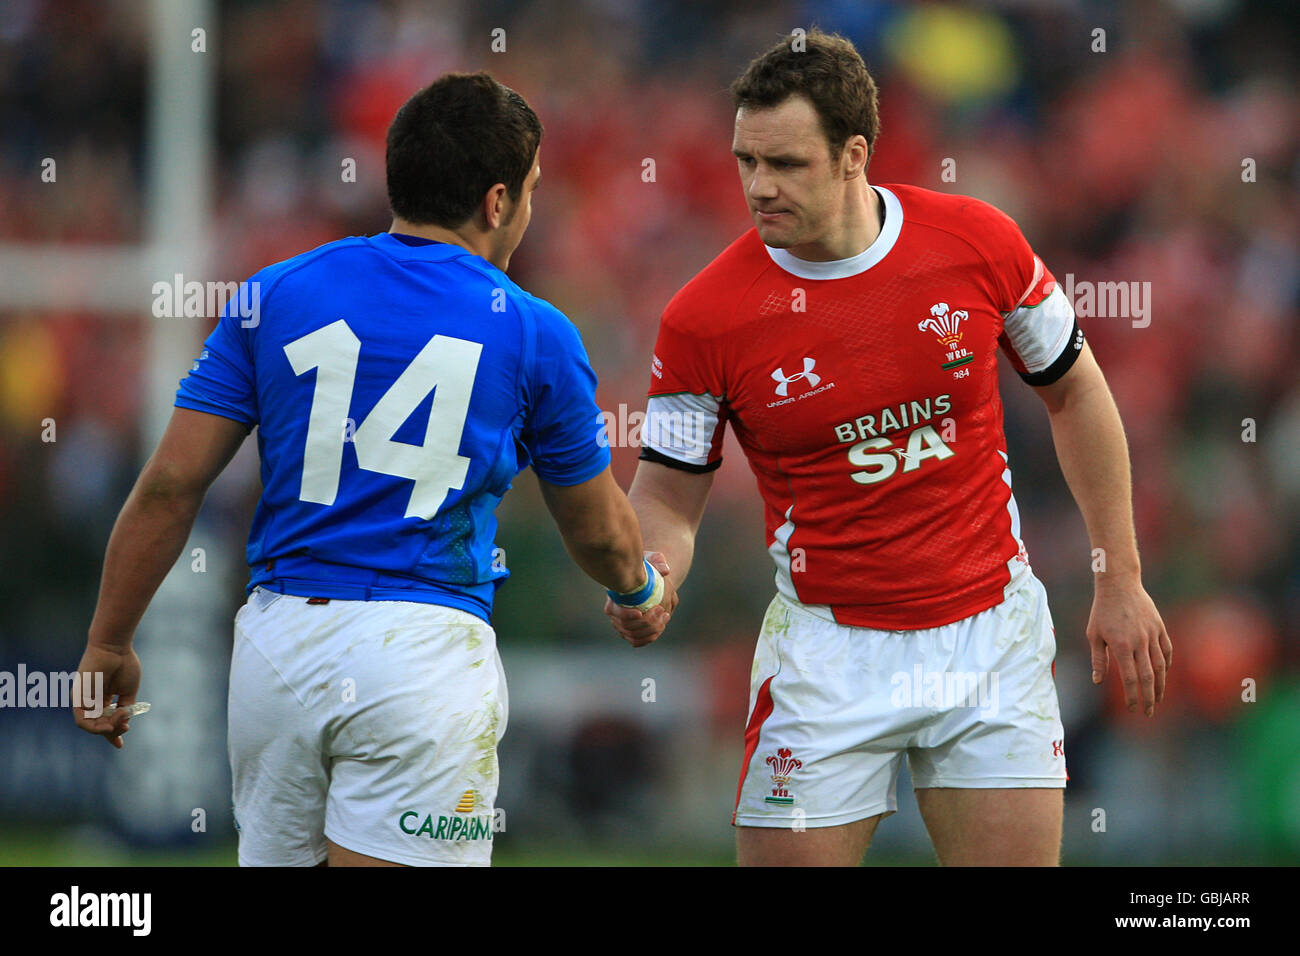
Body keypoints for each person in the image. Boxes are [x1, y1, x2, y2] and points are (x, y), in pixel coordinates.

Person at [73, 71, 674, 867]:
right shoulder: (534, 331)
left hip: (277, 645)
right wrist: (638, 590)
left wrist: (109, 641)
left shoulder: (274, 293)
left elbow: (171, 485)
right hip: (421, 651)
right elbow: (599, 531)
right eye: (529, 190)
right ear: (498, 202)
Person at [606, 30, 1172, 866]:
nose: (758, 187)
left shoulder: (978, 242)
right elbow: (668, 493)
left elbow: (1077, 390)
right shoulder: (703, 319)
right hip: (827, 650)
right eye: (745, 160)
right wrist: (651, 574)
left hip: (988, 633)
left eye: (786, 163)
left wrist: (1118, 575)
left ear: (853, 154)